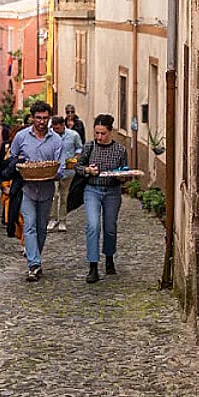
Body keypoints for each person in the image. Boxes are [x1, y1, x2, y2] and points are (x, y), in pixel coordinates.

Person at [8, 101, 65, 281]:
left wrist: (56, 172)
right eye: (38, 118)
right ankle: (34, 264)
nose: (41, 121)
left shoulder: (56, 140)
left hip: (47, 189)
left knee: (41, 227)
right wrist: (20, 164)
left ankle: (36, 257)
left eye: (45, 118)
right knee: (30, 224)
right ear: (32, 118)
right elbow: (13, 157)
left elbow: (60, 165)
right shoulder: (21, 137)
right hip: (27, 188)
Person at [78, 114, 130, 283]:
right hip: (92, 189)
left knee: (109, 227)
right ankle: (93, 266)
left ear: (111, 132)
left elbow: (125, 171)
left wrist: (122, 177)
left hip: (112, 191)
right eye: (97, 133)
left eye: (103, 133)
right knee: (93, 226)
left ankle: (109, 258)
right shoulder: (89, 147)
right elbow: (78, 166)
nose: (99, 137)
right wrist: (87, 170)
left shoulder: (120, 150)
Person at [47, 115, 83, 232]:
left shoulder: (73, 135)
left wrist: (76, 157)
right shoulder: (49, 135)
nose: (56, 131)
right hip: (53, 170)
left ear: (63, 125)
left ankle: (62, 220)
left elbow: (79, 148)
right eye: (54, 128)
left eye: (58, 128)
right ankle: (52, 218)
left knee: (64, 196)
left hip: (68, 171)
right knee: (54, 196)